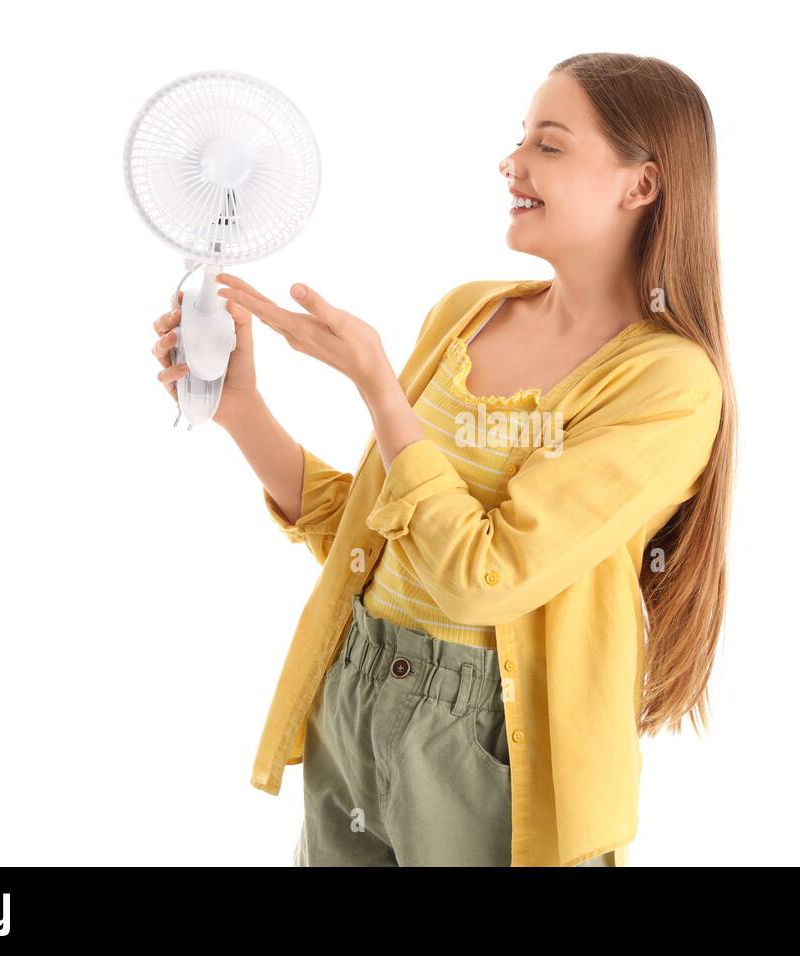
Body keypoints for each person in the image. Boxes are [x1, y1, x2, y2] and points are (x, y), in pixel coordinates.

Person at [151, 52, 738, 867]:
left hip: (497, 747)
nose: (512, 162)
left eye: (550, 144)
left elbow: (481, 575)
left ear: (640, 186)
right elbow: (378, 537)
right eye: (520, 138)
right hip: (354, 691)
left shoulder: (669, 385)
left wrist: (378, 389)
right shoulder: (467, 314)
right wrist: (239, 409)